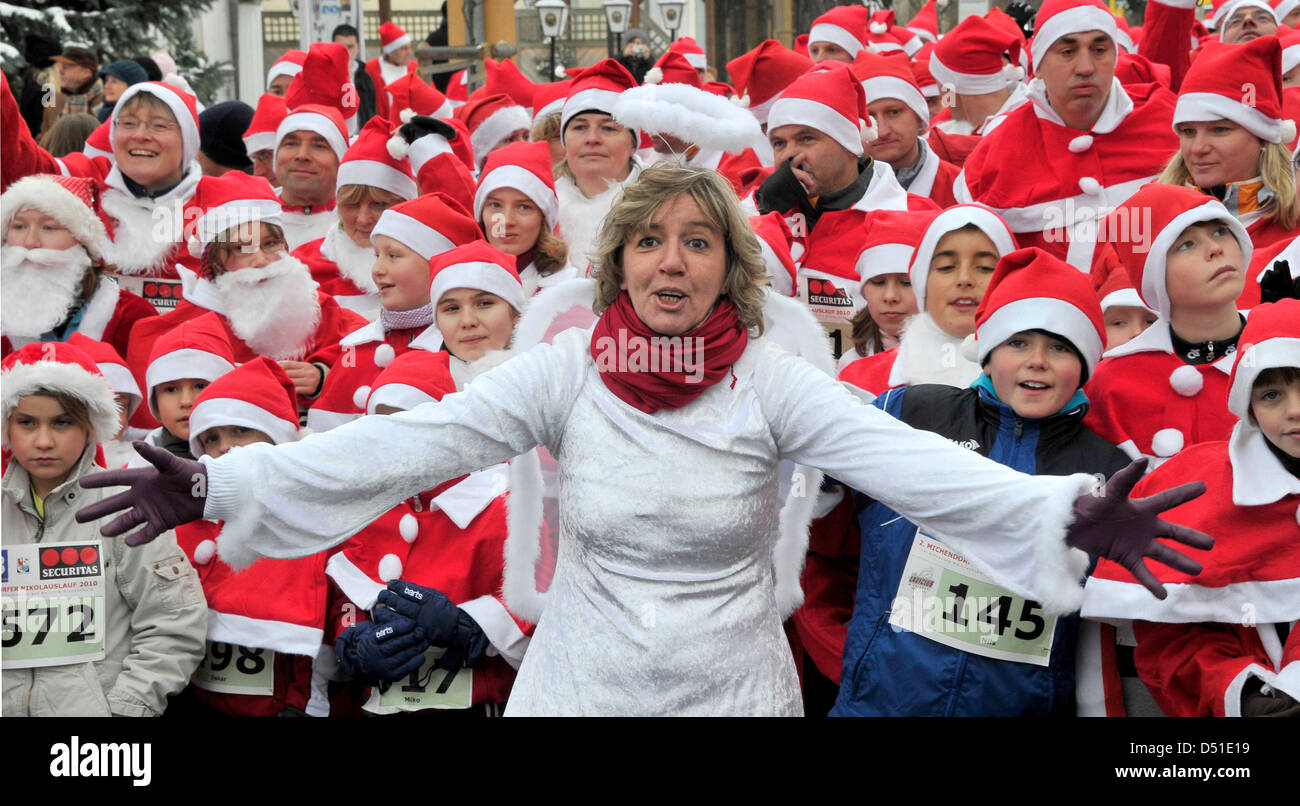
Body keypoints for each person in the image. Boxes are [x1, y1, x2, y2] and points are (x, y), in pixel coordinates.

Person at [79, 163, 1213, 717]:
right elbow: (416, 441)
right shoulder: (566, 368)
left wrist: (1055, 510)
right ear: (618, 261)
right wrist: (230, 481)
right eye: (651, 242)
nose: (674, 261)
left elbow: (915, 469)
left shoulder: (772, 381)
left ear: (731, 266)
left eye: (698, 243)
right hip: (583, 679)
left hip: (730, 686)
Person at [832, 247, 1131, 716]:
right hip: (880, 703)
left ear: (1086, 366)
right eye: (1017, 343)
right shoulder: (911, 412)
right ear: (986, 355)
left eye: (1059, 346)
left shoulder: (1106, 470)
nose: (1037, 361)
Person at [1082, 299, 1300, 717]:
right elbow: (1171, 640)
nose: (1293, 411)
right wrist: (1242, 694)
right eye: (1271, 394)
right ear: (1249, 407)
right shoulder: (1201, 488)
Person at [2, 341, 206, 716]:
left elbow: (174, 623)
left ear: (91, 426)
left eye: (62, 422)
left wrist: (127, 708)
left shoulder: (129, 507)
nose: (44, 441)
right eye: (27, 422)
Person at [955, 0, 1179, 272]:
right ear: (1038, 65)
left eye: (1099, 49)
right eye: (1068, 51)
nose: (1085, 67)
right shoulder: (992, 159)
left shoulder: (1168, 123)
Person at [124, 173, 366, 421]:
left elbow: (362, 353)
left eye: (271, 244)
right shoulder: (170, 333)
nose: (260, 261)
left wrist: (323, 373)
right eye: (240, 248)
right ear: (212, 260)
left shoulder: (314, 307)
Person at [173, 356, 332, 717]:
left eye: (241, 430)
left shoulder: (315, 517)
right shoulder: (186, 516)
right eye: (211, 438)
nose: (225, 446)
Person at [1088, 183, 1250, 467]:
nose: (1214, 248)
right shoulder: (1110, 384)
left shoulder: (1287, 349)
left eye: (1220, 231)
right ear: (1154, 276)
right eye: (1186, 244)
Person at [305, 192, 480, 432]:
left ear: (437, 264)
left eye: (393, 256)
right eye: (377, 255)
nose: (377, 269)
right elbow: (321, 438)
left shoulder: (464, 346)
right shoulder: (355, 349)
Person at [839, 205, 1017, 395]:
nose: (964, 279)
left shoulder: (1039, 381)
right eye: (946, 267)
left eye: (984, 267)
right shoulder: (858, 381)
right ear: (922, 281)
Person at [1158, 36, 1300, 258]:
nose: (1198, 148)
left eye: (1219, 130)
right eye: (1188, 131)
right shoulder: (1149, 212)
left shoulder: (1294, 223)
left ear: (1262, 137)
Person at [292, 117, 421, 320]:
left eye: (378, 205)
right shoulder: (305, 267)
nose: (363, 219)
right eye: (351, 205)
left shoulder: (428, 263)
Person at [553, 59, 645, 273]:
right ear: (565, 141)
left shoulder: (663, 204)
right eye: (580, 127)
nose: (592, 138)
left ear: (633, 144)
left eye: (609, 128)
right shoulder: (542, 208)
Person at [852, 50, 960, 207]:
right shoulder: (835, 195)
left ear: (918, 116)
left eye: (894, 112)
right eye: (868, 117)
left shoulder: (959, 189)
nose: (882, 132)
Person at [474, 141, 575, 298]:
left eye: (524, 207)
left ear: (544, 218)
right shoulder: (458, 280)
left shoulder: (566, 292)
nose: (507, 221)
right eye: (495, 205)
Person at [43, 46, 103, 138]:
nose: (60, 71)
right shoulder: (54, 101)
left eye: (66, 67)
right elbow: (44, 136)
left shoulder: (104, 101)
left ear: (86, 73)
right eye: (60, 67)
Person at [366, 21, 419, 123]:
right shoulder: (370, 70)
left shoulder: (416, 68)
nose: (409, 53)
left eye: (409, 47)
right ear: (390, 52)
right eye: (404, 48)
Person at [332, 23, 378, 127]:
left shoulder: (364, 77)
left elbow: (372, 109)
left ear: (358, 47)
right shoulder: (325, 75)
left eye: (350, 47)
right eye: (341, 47)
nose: (346, 52)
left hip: (360, 136)